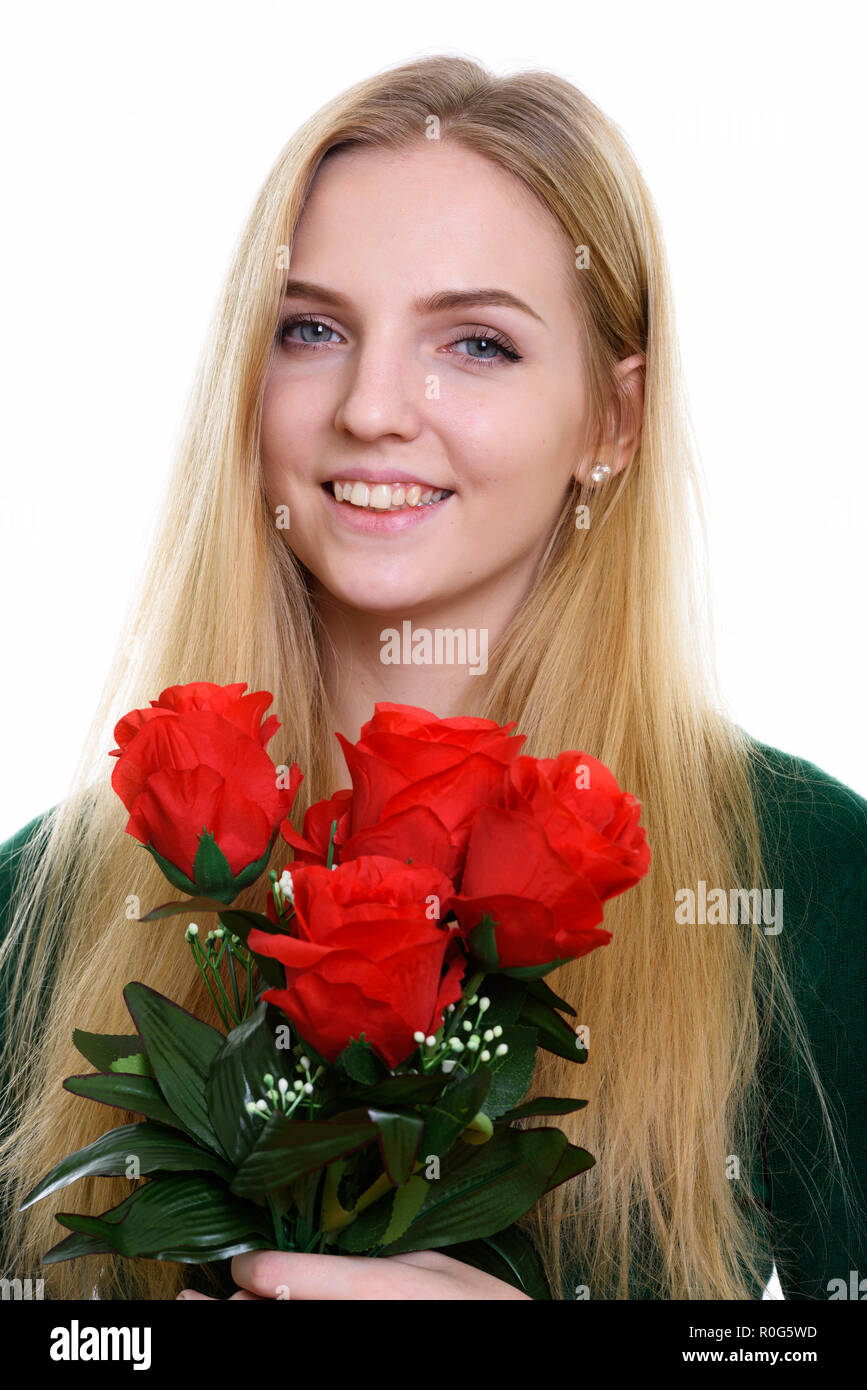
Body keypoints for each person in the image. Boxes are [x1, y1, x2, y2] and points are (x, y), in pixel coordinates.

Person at [0, 54, 864, 1302]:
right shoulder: (38, 913)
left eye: (475, 342)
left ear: (612, 422)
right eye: (312, 329)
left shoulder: (821, 895)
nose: (372, 407)